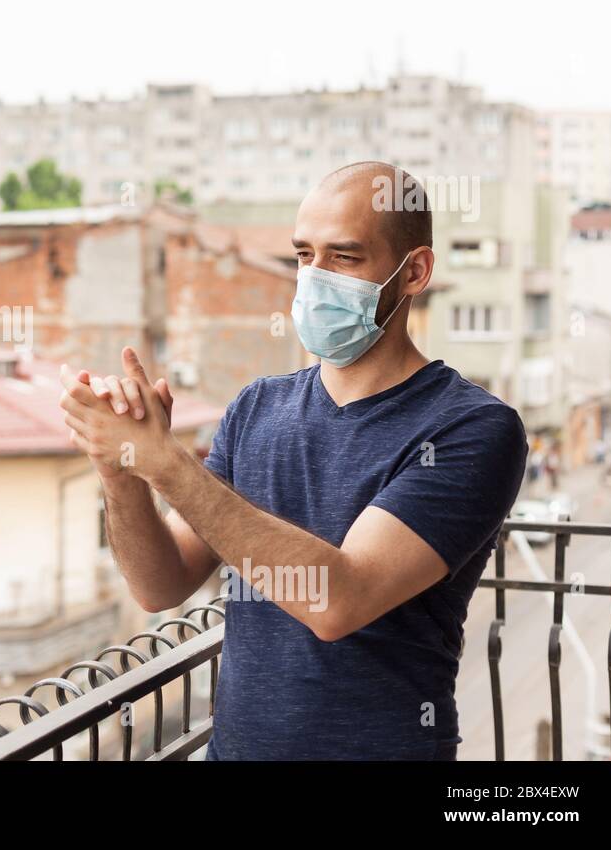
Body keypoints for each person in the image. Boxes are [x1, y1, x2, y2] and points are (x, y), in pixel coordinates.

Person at [59, 161, 528, 760]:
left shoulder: (473, 429)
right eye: (304, 255)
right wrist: (120, 467)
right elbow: (160, 584)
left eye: (344, 257)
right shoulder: (257, 407)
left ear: (415, 272)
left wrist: (168, 462)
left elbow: (338, 601)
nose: (315, 277)